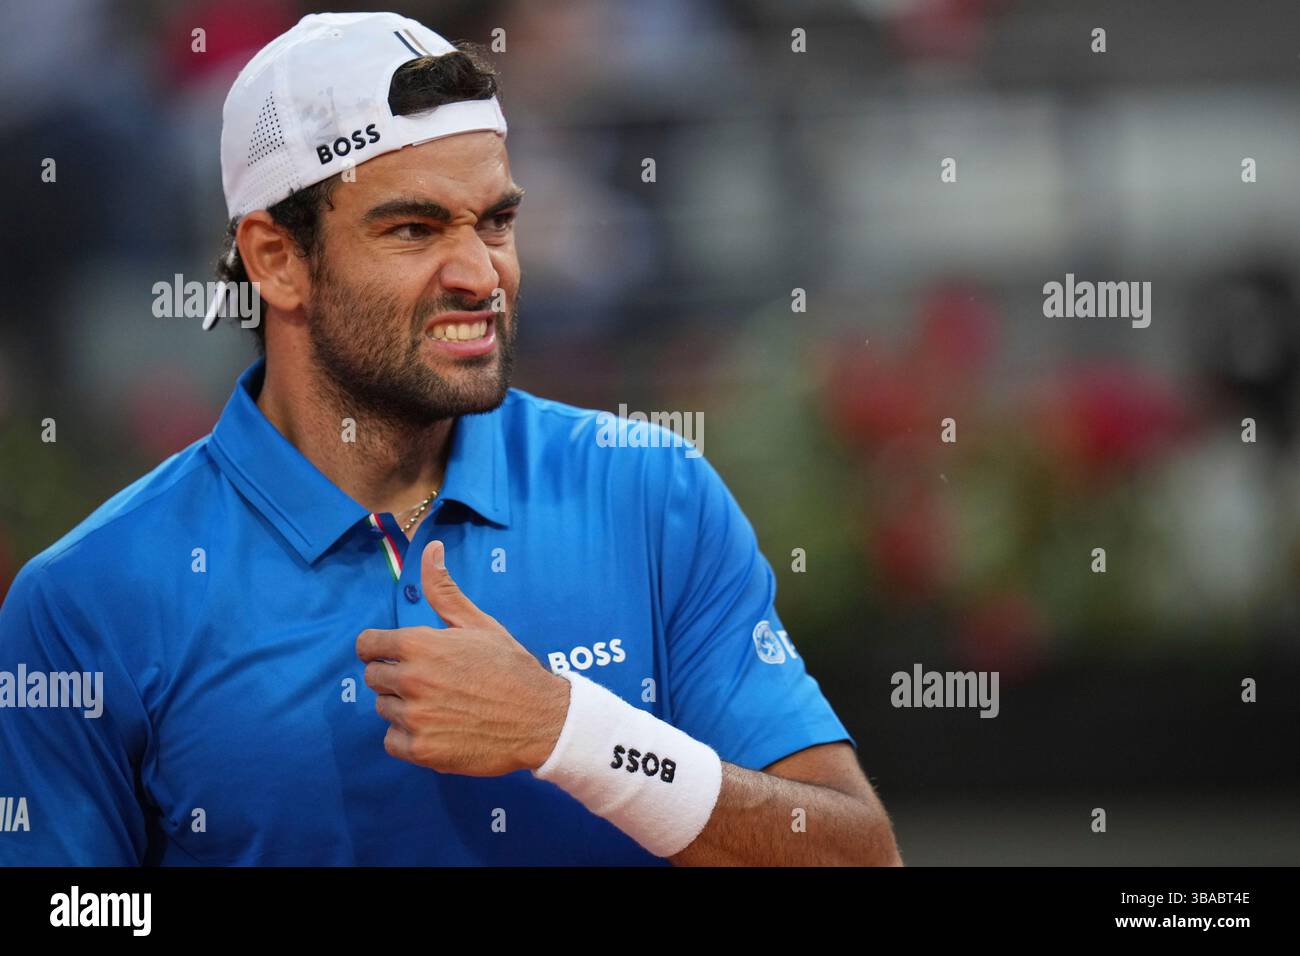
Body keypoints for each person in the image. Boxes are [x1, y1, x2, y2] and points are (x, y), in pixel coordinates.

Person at [0, 11, 901, 866]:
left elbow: (857, 854)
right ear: (276, 258)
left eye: (496, 222)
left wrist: (572, 733)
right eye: (414, 229)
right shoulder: (87, 599)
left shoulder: (653, 494)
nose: (482, 274)